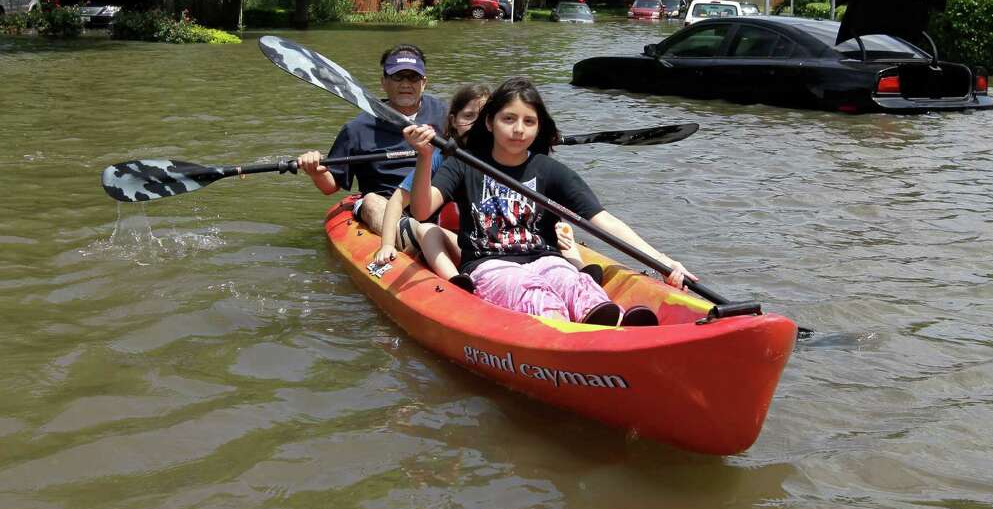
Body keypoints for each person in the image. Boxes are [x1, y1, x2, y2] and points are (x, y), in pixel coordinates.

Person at [403, 77, 695, 327]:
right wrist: (425, 157)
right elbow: (421, 210)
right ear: (489, 122)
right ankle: (566, 338)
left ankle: (617, 330)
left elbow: (603, 220)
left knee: (577, 284)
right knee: (533, 293)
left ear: (538, 128)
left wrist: (665, 263)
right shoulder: (463, 165)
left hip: (546, 259)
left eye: (529, 121)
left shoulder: (548, 169)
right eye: (509, 119)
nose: (519, 130)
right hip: (489, 264)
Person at [296, 44, 447, 242]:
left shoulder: (447, 114)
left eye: (413, 77)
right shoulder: (357, 128)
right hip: (384, 203)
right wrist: (316, 171)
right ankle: (413, 241)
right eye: (398, 77)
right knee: (371, 201)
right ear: (383, 82)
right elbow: (330, 186)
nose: (405, 84)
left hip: (434, 199)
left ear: (424, 82)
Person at [373, 83, 491, 274]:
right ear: (453, 121)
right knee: (425, 229)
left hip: (488, 245)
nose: (475, 125)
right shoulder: (440, 156)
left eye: (483, 117)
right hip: (445, 240)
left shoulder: (503, 157)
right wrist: (387, 245)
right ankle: (455, 281)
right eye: (468, 116)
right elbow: (397, 200)